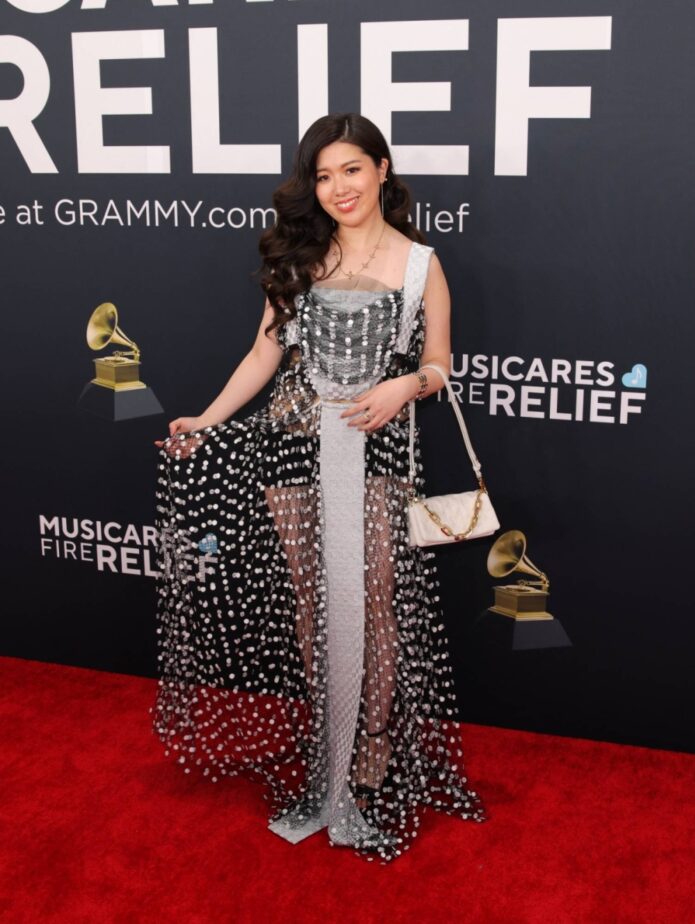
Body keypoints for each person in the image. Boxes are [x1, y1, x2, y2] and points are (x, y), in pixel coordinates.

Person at [152, 112, 487, 863]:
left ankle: (366, 758)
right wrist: (204, 418)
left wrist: (406, 384)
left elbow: (440, 364)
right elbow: (263, 354)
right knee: (313, 603)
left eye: (352, 170)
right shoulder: (301, 258)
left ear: (382, 170)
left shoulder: (419, 264)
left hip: (375, 450)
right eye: (324, 175)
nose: (338, 188)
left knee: (373, 604)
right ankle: (328, 741)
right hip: (294, 447)